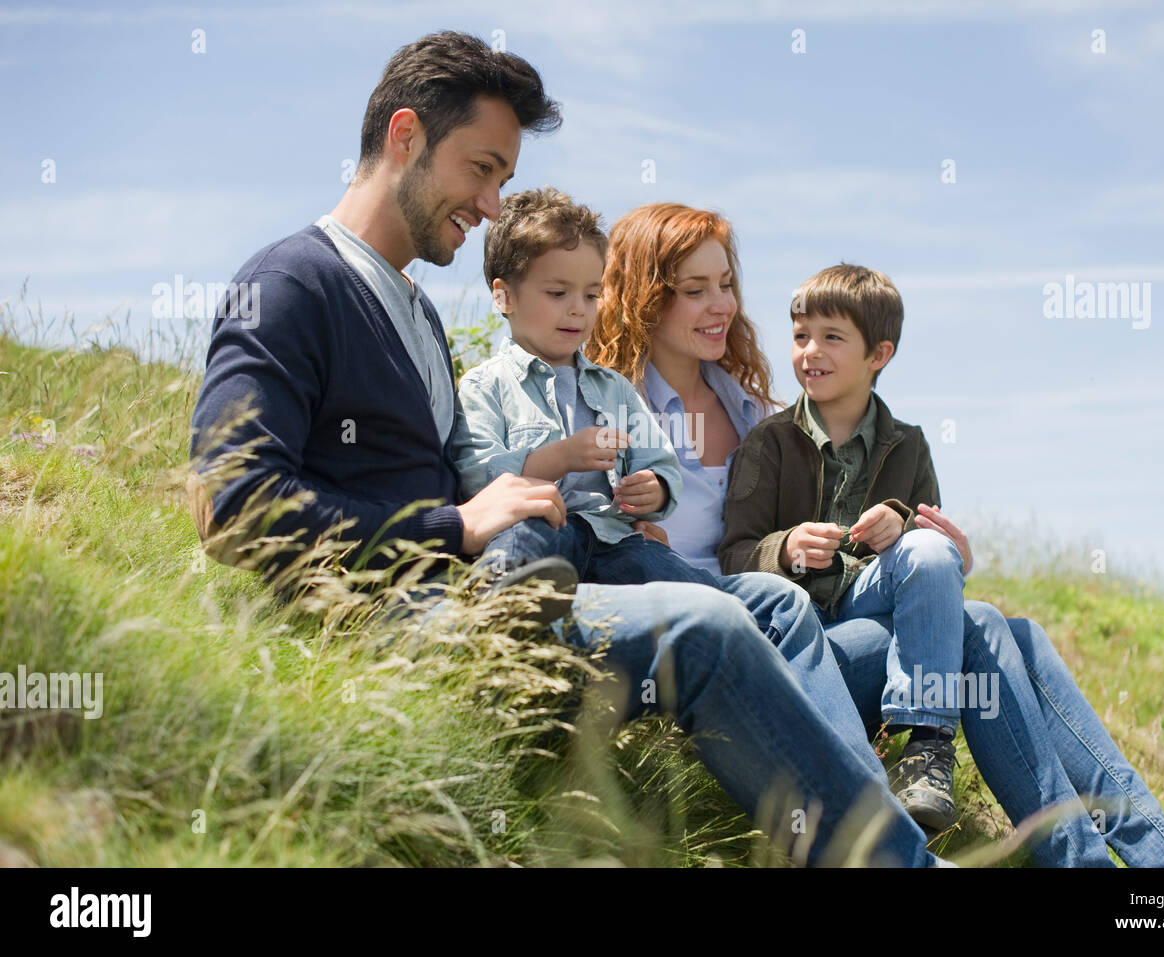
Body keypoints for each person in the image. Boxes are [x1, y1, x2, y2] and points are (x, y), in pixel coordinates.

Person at [185, 31, 949, 867]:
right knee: (707, 623)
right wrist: (455, 526)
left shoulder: (415, 312)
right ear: (405, 136)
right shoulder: (293, 283)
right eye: (481, 169)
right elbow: (232, 502)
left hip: (509, 592)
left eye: (503, 180)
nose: (489, 206)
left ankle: (893, 833)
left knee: (766, 606)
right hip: (415, 620)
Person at [589, 202, 1164, 866]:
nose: (723, 306)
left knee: (994, 624)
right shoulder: (608, 412)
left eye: (726, 284)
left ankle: (1138, 862)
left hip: (814, 640)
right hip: (729, 664)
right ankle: (1135, 863)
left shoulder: (751, 410)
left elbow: (845, 554)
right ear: (646, 298)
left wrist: (933, 548)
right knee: (987, 630)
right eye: (695, 290)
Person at [719, 263, 969, 831]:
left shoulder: (910, 445)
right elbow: (733, 554)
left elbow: (936, 564)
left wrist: (903, 526)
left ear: (878, 355)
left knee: (931, 552)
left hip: (868, 604)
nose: (811, 351)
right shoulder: (769, 442)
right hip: (799, 626)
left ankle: (927, 750)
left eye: (832, 337)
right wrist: (784, 548)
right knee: (974, 624)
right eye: (801, 335)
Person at [448, 186, 716, 588]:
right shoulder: (486, 385)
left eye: (591, 295)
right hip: (541, 527)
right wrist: (561, 457)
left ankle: (725, 613)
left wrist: (654, 490)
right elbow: (479, 478)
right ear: (504, 296)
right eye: (558, 293)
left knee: (679, 578)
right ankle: (500, 605)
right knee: (518, 543)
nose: (578, 308)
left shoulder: (615, 389)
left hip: (612, 539)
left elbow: (659, 460)